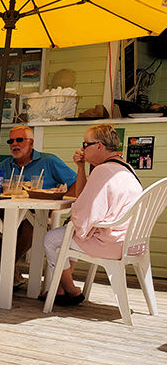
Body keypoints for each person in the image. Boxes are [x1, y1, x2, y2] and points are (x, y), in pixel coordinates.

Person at [42, 124, 142, 305]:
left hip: (110, 242)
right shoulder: (125, 167)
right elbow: (84, 200)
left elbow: (82, 211)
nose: (82, 148)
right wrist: (81, 167)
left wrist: (73, 220)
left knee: (52, 239)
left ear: (99, 146)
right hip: (129, 239)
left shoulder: (103, 171)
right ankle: (60, 289)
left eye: (85, 143)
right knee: (69, 232)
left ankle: (70, 288)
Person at [0, 125, 78, 287]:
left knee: (31, 227)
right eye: (11, 141)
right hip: (9, 213)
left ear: (30, 143)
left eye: (19, 140)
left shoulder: (48, 161)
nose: (14, 144)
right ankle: (11, 271)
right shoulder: (6, 164)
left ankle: (7, 270)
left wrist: (60, 204)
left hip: (37, 215)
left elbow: (77, 182)